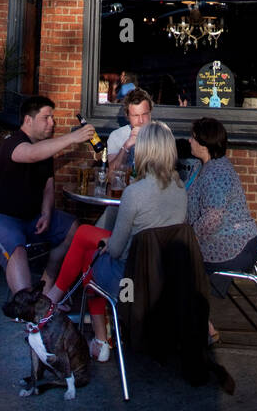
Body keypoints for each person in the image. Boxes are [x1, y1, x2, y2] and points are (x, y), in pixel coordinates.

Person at [45, 121, 187, 362]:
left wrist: (101, 245)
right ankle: (58, 304)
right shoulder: (181, 189)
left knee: (88, 256)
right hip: (163, 277)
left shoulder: (135, 192)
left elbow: (118, 250)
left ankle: (98, 337)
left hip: (129, 278)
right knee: (85, 237)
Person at [0, 95, 95, 295]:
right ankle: (28, 309)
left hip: (30, 219)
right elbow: (30, 153)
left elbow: (48, 185)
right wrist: (74, 137)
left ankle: (46, 289)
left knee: (72, 227)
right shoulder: (13, 143)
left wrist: (47, 213)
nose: (52, 123)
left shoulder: (45, 148)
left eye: (52, 118)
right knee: (16, 247)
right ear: (28, 120)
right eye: (46, 118)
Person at [186, 117, 257, 343]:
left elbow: (213, 217)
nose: (189, 141)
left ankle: (199, 329)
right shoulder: (207, 166)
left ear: (203, 143)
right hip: (232, 238)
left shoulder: (215, 173)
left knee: (181, 263)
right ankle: (202, 326)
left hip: (235, 246)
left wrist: (187, 237)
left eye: (193, 137)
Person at [106, 88, 153, 182]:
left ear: (150, 113)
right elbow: (111, 177)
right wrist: (126, 146)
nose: (141, 121)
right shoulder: (117, 136)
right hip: (123, 192)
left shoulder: (160, 135)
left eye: (144, 114)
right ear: (127, 116)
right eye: (135, 115)